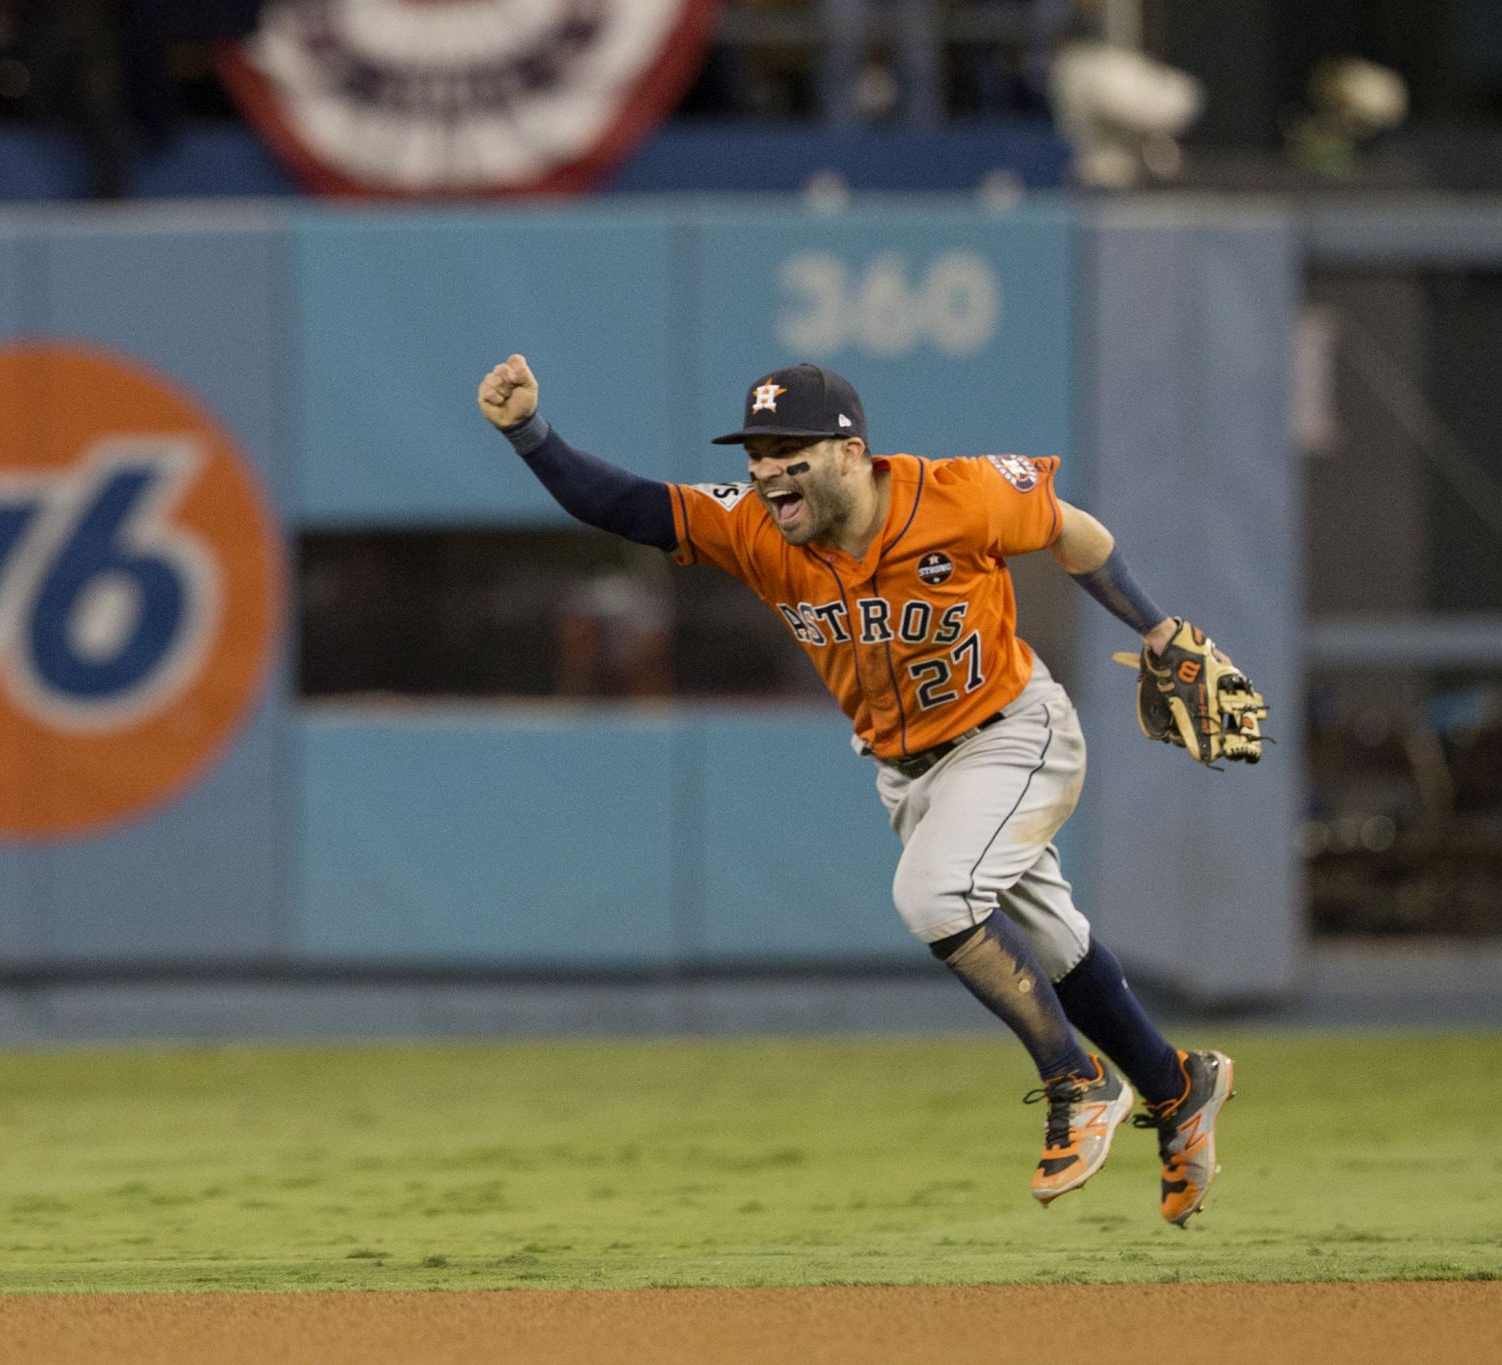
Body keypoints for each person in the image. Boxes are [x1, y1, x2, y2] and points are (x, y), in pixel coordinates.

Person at [478, 354, 1243, 1223]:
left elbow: (1075, 533)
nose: (764, 469)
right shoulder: (757, 526)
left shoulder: (958, 495)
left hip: (1014, 732)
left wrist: (1157, 628)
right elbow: (623, 504)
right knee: (1054, 946)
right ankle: (1178, 1086)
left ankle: (1076, 1084)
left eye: (785, 448)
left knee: (934, 897)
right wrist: (528, 432)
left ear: (850, 453)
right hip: (909, 772)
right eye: (754, 450)